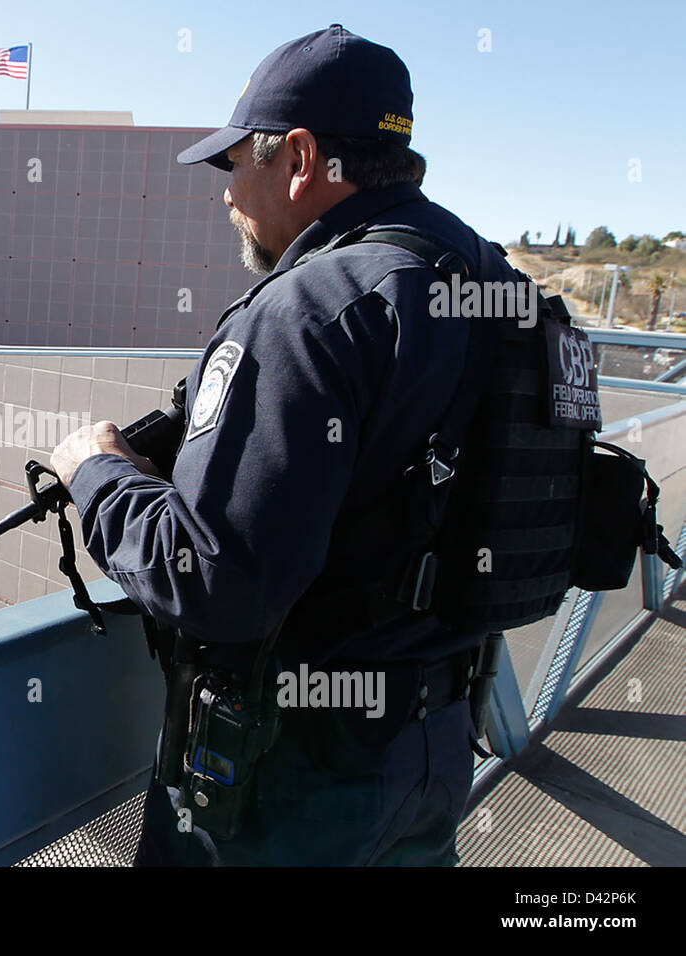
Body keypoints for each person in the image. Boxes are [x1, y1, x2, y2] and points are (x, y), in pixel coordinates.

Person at [51, 25, 525, 866]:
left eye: (236, 163)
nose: (226, 190)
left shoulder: (306, 311)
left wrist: (98, 474)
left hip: (292, 782)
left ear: (299, 158)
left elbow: (216, 582)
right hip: (437, 744)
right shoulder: (490, 281)